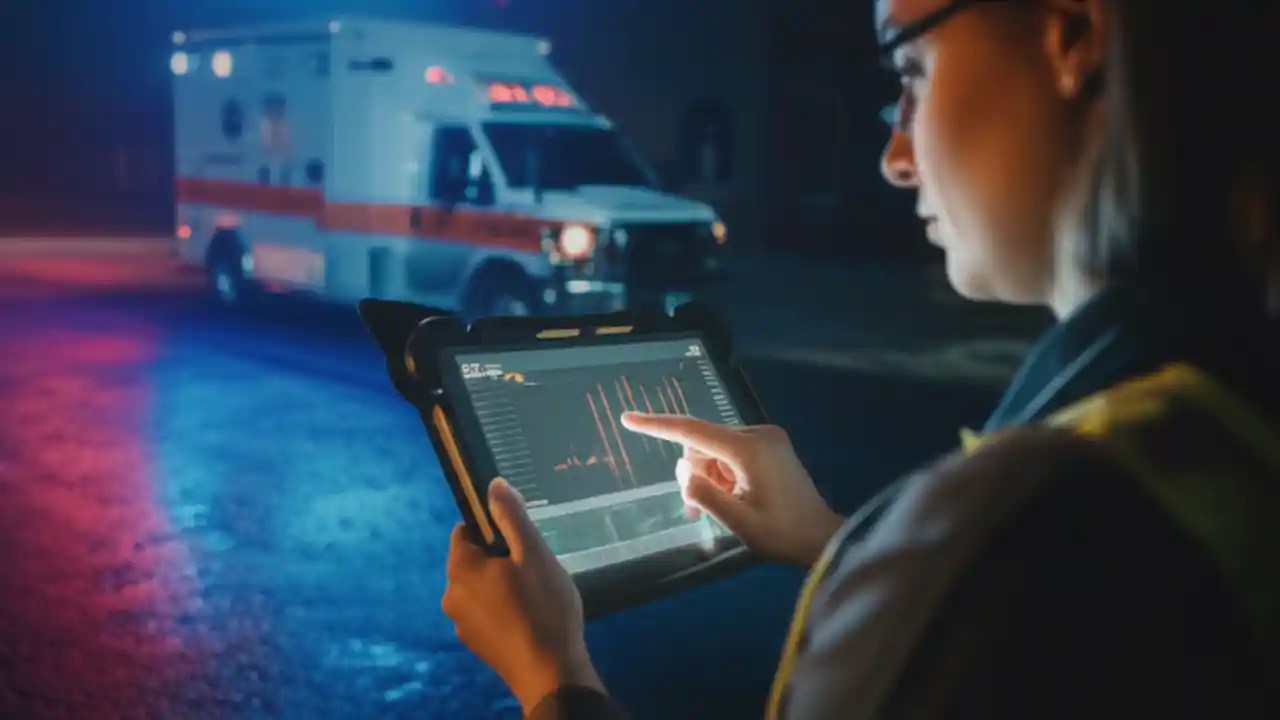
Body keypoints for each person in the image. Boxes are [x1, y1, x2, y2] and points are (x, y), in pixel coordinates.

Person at [441, 0, 1280, 717]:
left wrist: (555, 676)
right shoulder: (1216, 407)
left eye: (911, 72)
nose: (895, 157)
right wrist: (841, 544)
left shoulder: (1037, 520)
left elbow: (1024, 599)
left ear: (1071, 36)